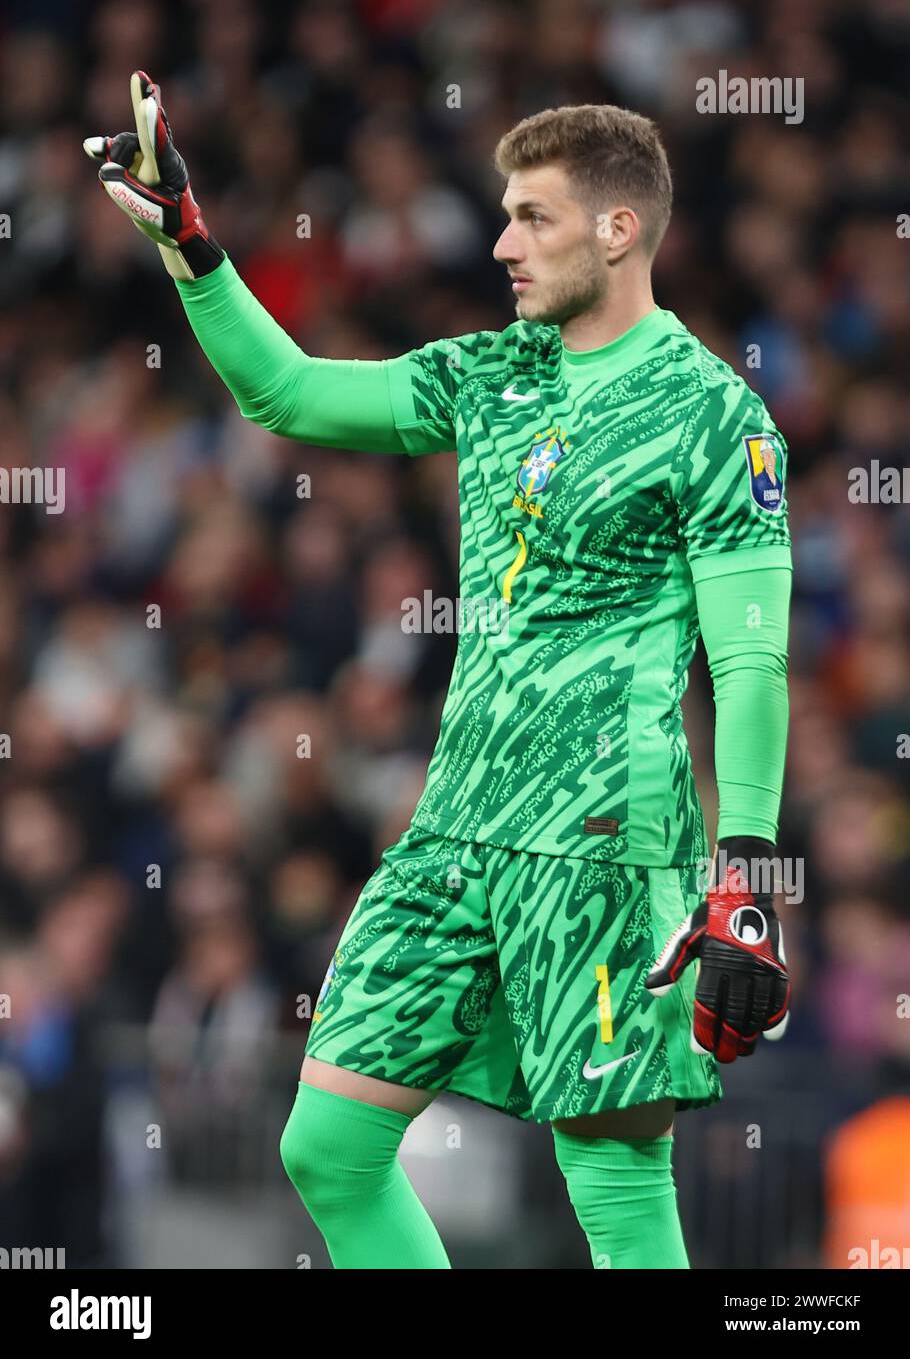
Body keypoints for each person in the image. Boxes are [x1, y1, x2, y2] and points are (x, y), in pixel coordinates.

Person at [86, 78, 792, 1270]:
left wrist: (751, 872)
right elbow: (289, 391)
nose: (504, 244)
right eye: (505, 215)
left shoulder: (718, 417)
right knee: (327, 1147)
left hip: (602, 843)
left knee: (613, 1177)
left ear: (618, 231)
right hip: (451, 829)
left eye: (534, 219)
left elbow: (753, 652)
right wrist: (192, 247)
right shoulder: (491, 374)